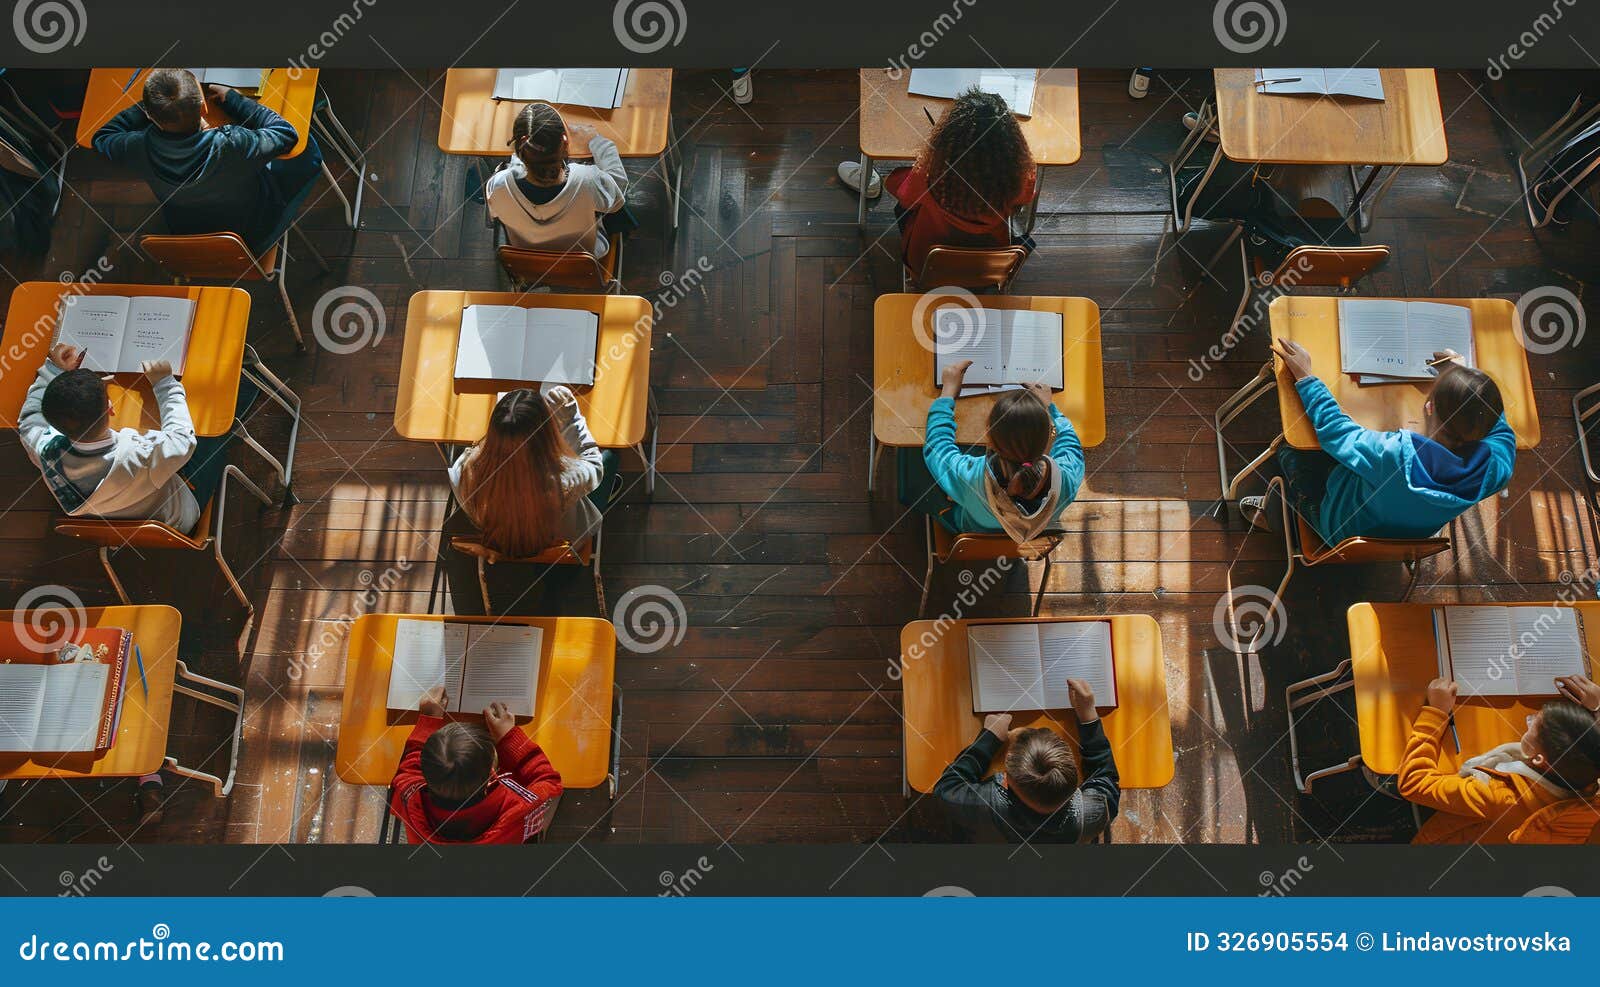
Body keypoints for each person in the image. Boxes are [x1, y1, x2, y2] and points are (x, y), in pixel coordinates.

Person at [1241, 340, 1515, 544]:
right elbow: (1502, 435)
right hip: (1410, 540)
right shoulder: (1495, 471)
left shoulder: (1394, 454)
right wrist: (1470, 389)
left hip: (1341, 530)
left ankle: (1279, 515)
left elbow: (1337, 433)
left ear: (1429, 407)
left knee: (1292, 447)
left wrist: (1306, 377)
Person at [92, 68, 323, 253]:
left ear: (151, 117)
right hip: (254, 232)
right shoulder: (231, 143)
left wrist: (152, 105)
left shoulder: (137, 148)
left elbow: (101, 137)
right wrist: (235, 100)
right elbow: (286, 133)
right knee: (307, 151)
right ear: (204, 107)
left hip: (187, 235)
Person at [840, 88, 1037, 274]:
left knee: (902, 206)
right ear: (1012, 143)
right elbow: (1024, 200)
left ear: (948, 137)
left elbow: (905, 198)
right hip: (988, 266)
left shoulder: (929, 175)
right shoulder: (1021, 177)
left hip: (925, 262)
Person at [1399, 678, 1600, 844]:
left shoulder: (1497, 795)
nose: (1529, 721)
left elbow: (1414, 783)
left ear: (1538, 758)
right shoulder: (1589, 782)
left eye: (1533, 724)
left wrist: (1436, 713)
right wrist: (1597, 708)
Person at [934, 679, 1120, 843]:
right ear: (1075, 783)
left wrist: (987, 740)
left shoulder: (984, 806)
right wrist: (1089, 718)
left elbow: (946, 788)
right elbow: (1105, 776)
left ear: (1006, 781)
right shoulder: (1096, 812)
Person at [916, 359, 1083, 539]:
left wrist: (947, 393)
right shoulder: (1066, 479)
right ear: (1047, 440)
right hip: (1028, 540)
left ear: (989, 438)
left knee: (918, 468)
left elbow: (938, 448)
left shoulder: (972, 477)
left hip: (971, 530)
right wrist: (1050, 407)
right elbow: (1069, 441)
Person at [389, 686, 563, 844]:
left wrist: (428, 719)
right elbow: (550, 783)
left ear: (424, 772)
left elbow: (407, 772)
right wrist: (509, 738)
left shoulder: (408, 799)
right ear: (492, 773)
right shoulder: (519, 809)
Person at [485, 101, 629, 258]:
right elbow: (618, 194)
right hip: (583, 260)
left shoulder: (497, 185)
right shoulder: (588, 180)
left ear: (520, 148)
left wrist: (521, 157)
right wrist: (598, 142)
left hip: (529, 260)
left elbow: (493, 216)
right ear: (565, 141)